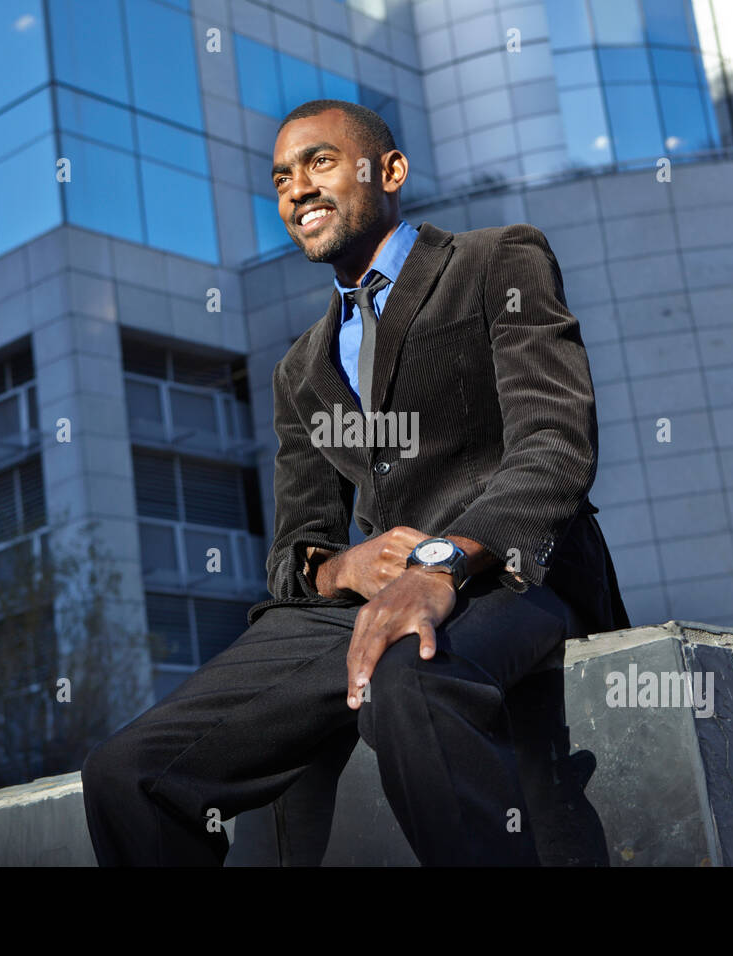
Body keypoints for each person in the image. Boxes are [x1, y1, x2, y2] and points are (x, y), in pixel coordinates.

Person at [81, 99, 629, 866]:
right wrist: (343, 566)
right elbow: (293, 549)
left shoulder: (496, 261)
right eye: (280, 179)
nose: (296, 189)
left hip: (510, 573)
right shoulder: (300, 369)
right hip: (365, 600)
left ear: (391, 172)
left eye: (320, 162)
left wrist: (441, 564)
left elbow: (555, 444)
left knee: (409, 682)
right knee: (128, 773)